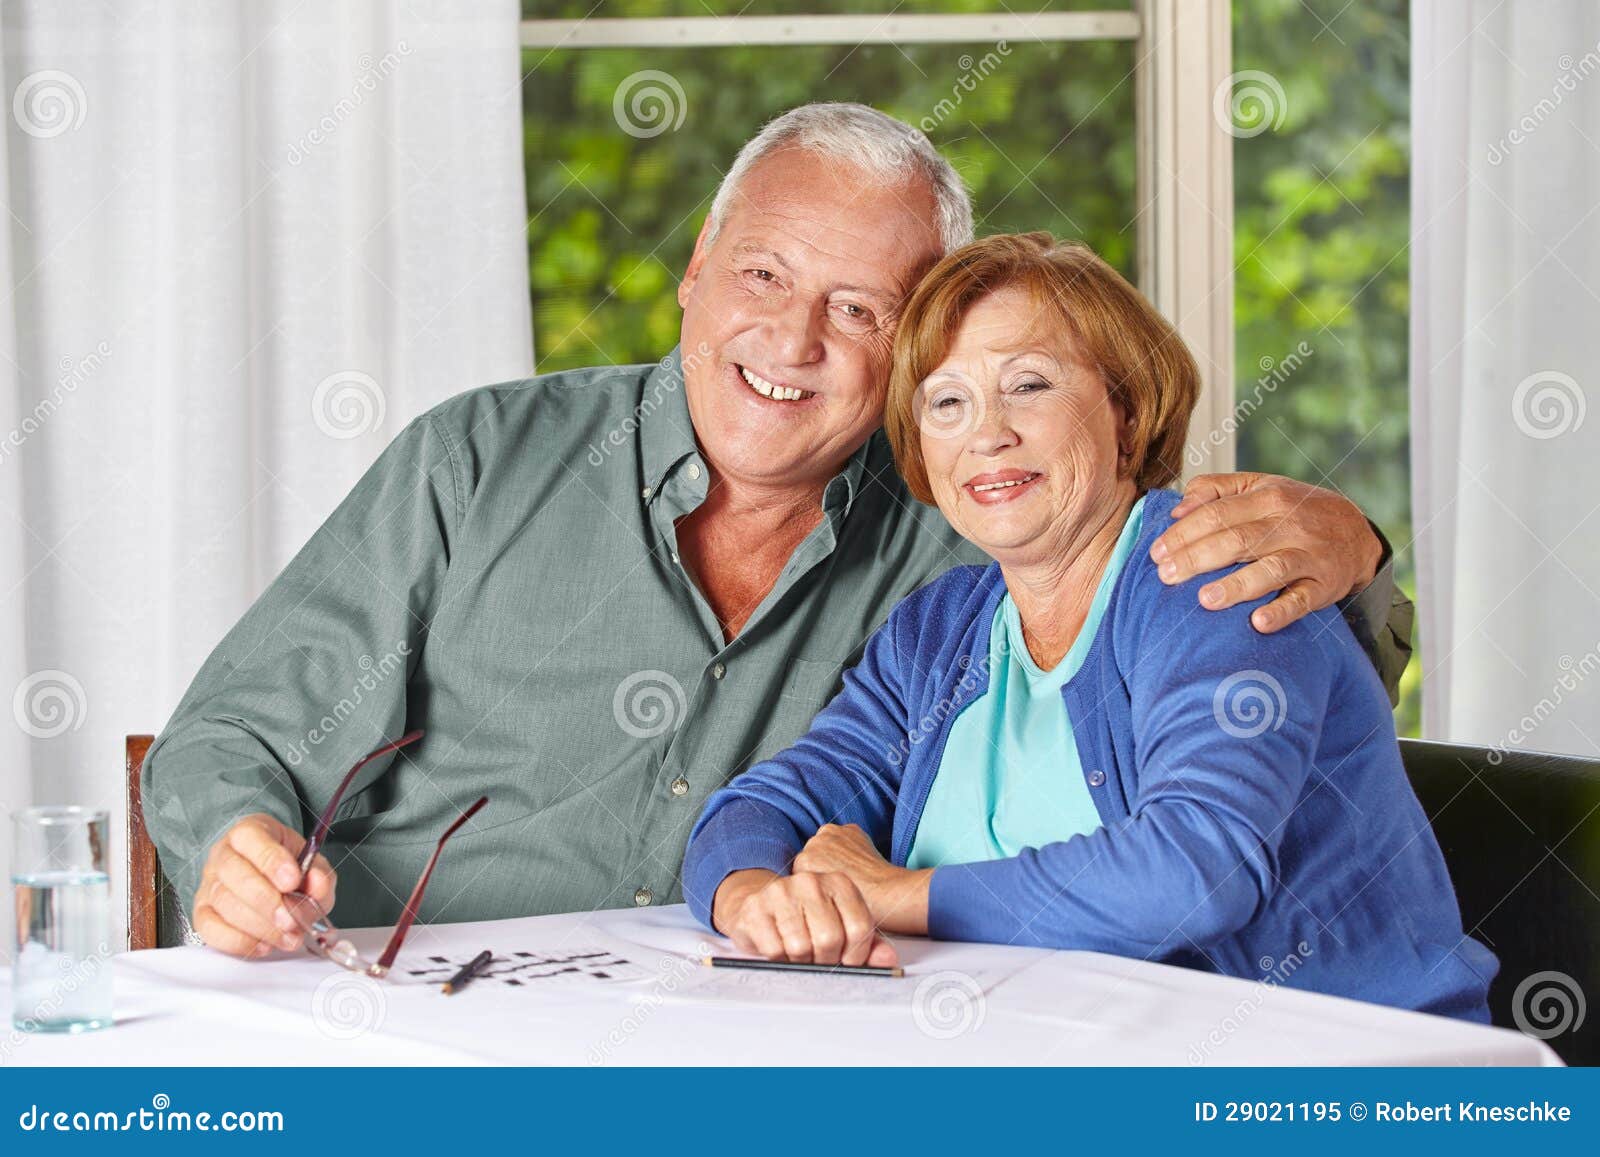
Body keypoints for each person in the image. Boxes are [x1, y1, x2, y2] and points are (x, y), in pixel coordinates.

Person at [144, 104, 1410, 960]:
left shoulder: (960, 530)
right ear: (697, 262)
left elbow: (1214, 634)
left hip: (756, 1043)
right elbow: (234, 737)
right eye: (763, 275)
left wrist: (1356, 547)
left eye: (858, 309)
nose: (792, 343)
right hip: (409, 1012)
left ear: (910, 350)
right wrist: (235, 845)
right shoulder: (477, 461)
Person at [683, 233, 1495, 1020]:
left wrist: (896, 891)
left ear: (1129, 414)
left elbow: (1196, 868)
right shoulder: (938, 629)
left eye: (1029, 384)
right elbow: (767, 804)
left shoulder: (1212, 566)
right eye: (948, 402)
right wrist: (757, 893)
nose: (987, 433)